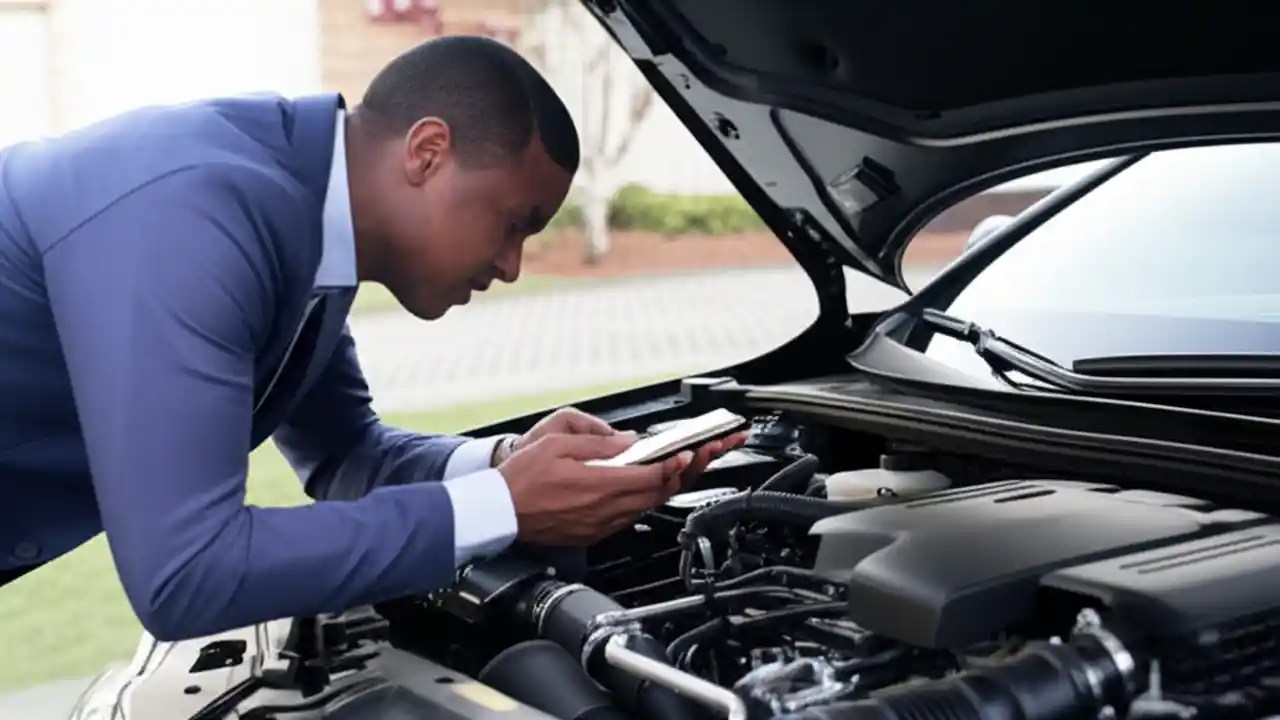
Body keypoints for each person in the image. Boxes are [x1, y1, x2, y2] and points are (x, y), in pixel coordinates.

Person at [0, 36, 743, 641]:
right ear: (427, 152)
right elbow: (188, 574)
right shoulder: (200, 214)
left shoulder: (314, 212)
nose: (512, 266)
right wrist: (504, 508)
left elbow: (344, 454)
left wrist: (506, 464)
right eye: (512, 223)